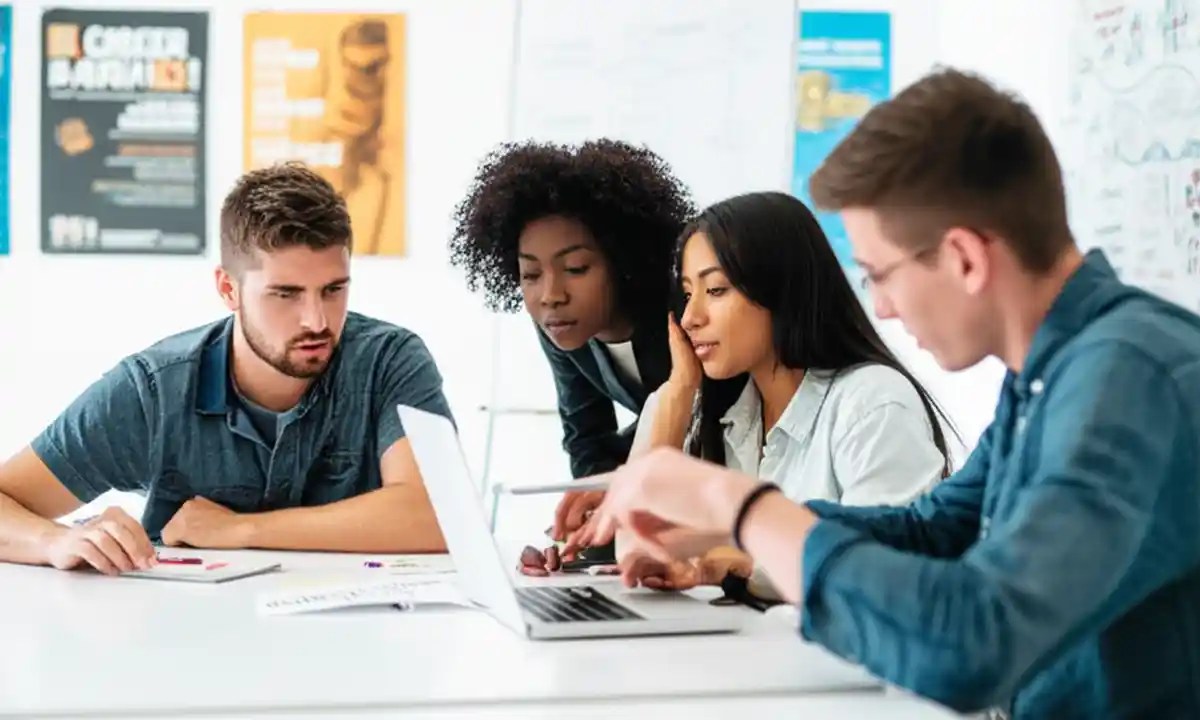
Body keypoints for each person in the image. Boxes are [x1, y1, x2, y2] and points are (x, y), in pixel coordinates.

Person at [587, 68, 1200, 718]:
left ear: (964, 259)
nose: (881, 308)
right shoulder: (1057, 369)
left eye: (880, 273)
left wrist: (739, 505)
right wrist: (716, 532)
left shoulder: (1130, 377)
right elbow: (931, 531)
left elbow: (973, 644)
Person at [0, 162, 455, 575]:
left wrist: (242, 530)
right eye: (286, 294)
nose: (317, 320)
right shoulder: (155, 391)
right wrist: (55, 540)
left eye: (333, 290)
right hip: (192, 650)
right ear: (228, 288)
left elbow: (438, 515)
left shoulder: (390, 362)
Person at [619, 191, 953, 592]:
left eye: (717, 290)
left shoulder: (872, 401)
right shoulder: (717, 409)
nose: (691, 318)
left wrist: (732, 560)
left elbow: (881, 572)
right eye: (689, 293)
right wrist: (678, 391)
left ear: (780, 288)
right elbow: (635, 549)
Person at [448, 138, 696, 567]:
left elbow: (706, 431)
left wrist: (622, 489)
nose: (551, 295)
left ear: (622, 259)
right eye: (530, 273)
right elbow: (586, 435)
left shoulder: (681, 316)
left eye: (576, 269)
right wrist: (591, 507)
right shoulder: (559, 325)